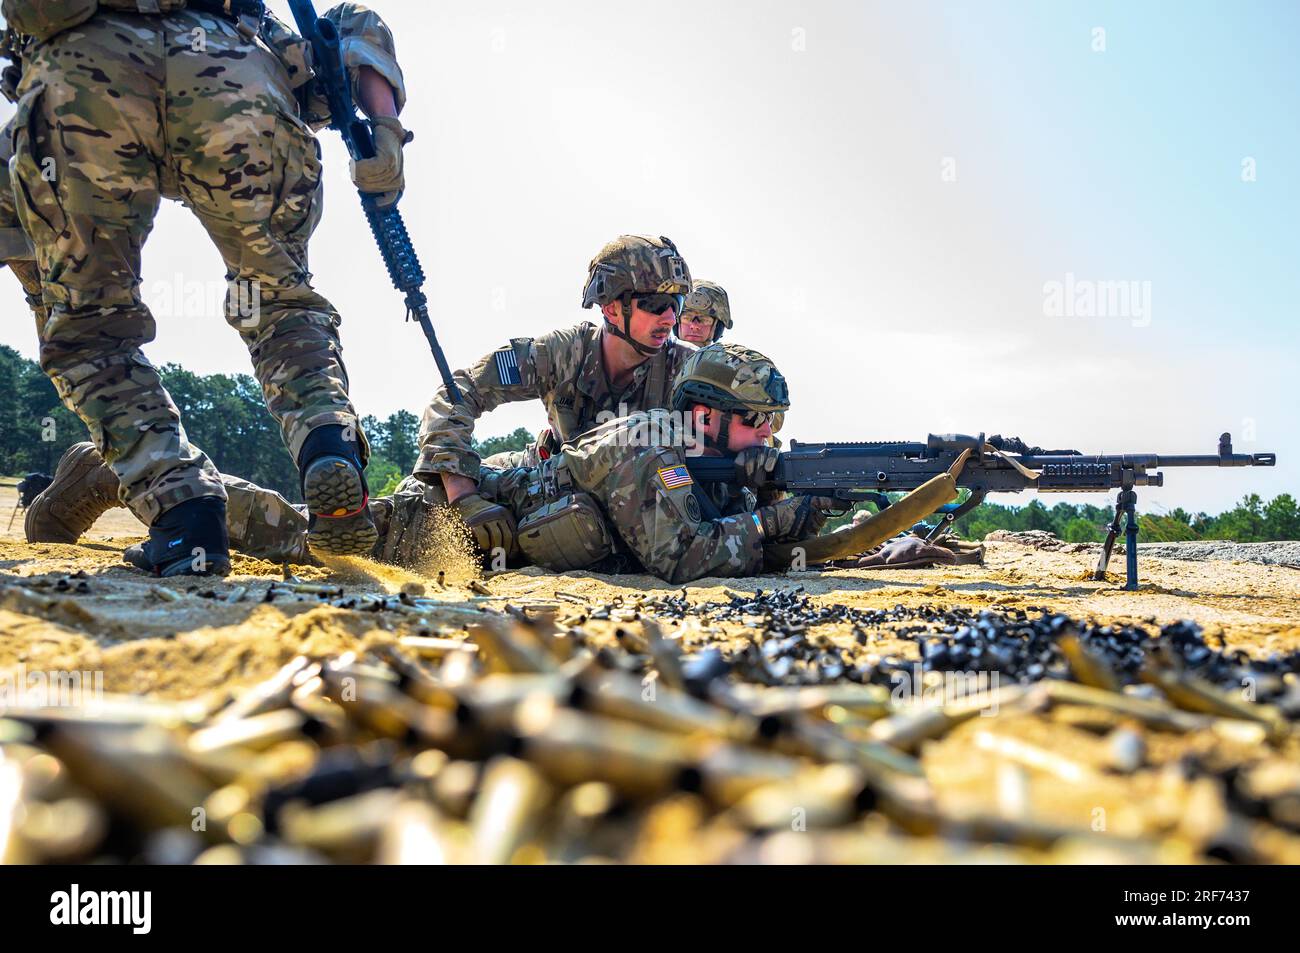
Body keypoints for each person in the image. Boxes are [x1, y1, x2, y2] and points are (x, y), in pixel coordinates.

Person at [1, 1, 412, 575]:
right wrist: (386, 134)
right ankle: (325, 441)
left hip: (86, 73)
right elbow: (348, 34)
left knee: (90, 330)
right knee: (279, 304)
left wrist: (49, 284)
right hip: (234, 78)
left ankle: (184, 510)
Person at [32, 344, 836, 582]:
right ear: (706, 416)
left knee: (294, 535)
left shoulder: (695, 448)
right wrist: (776, 521)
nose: (767, 438)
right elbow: (685, 559)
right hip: (439, 525)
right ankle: (118, 468)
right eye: (757, 423)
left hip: (492, 541)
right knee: (294, 537)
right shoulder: (644, 448)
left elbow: (730, 499)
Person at [414, 234, 696, 557]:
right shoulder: (561, 353)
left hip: (611, 508)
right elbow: (459, 390)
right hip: (543, 479)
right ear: (611, 308)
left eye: (678, 304)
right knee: (424, 501)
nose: (671, 319)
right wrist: (462, 494)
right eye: (656, 305)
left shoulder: (687, 370)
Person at [674, 280, 733, 345]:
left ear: (717, 327)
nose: (694, 326)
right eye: (687, 318)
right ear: (676, 322)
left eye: (704, 320)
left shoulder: (731, 355)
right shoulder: (662, 353)